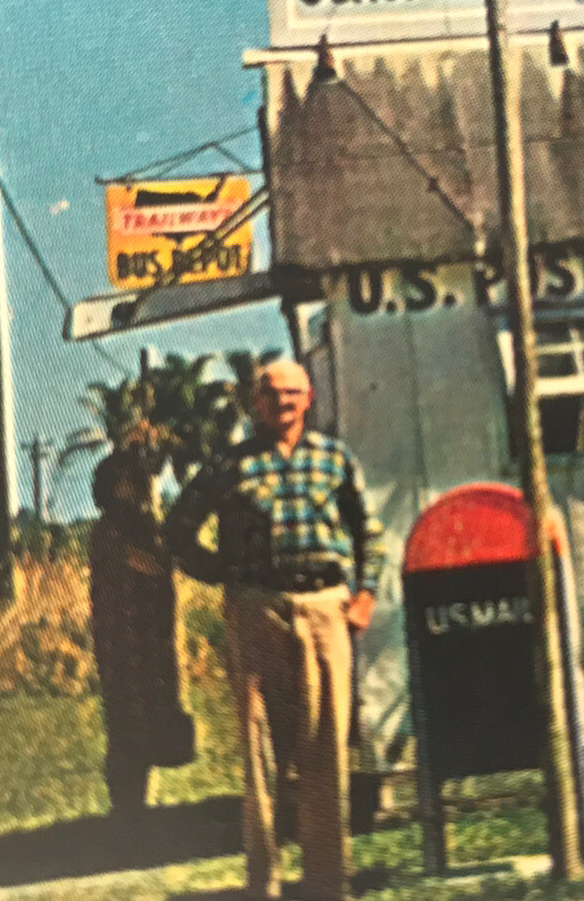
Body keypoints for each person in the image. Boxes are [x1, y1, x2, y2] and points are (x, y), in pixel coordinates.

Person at [166, 360, 383, 901]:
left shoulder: (335, 459)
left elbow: (368, 531)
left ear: (308, 398)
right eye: (270, 393)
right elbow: (179, 528)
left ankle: (329, 884)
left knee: (327, 745)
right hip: (257, 611)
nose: (281, 402)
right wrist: (223, 574)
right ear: (254, 403)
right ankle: (265, 883)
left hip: (324, 608)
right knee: (262, 750)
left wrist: (365, 594)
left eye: (291, 392)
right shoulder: (229, 466)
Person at [87, 450, 181, 817]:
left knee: (147, 716)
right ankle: (127, 804)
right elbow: (150, 565)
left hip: (150, 640)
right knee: (126, 720)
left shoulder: (143, 527)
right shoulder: (109, 532)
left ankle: (137, 801)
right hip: (122, 641)